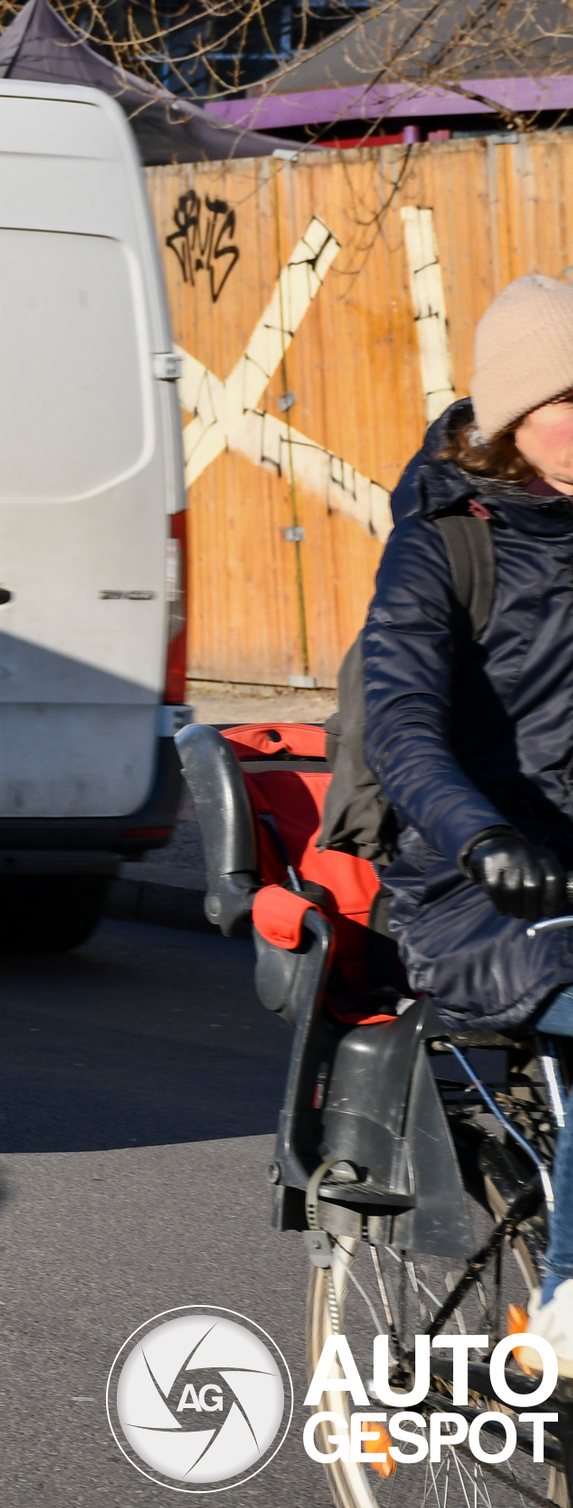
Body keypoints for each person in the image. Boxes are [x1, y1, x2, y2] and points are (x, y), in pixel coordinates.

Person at [363, 274, 573, 1346]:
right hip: (471, 888)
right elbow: (395, 723)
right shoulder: (443, 545)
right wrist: (479, 835)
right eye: (565, 400)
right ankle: (570, 1305)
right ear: (510, 420)